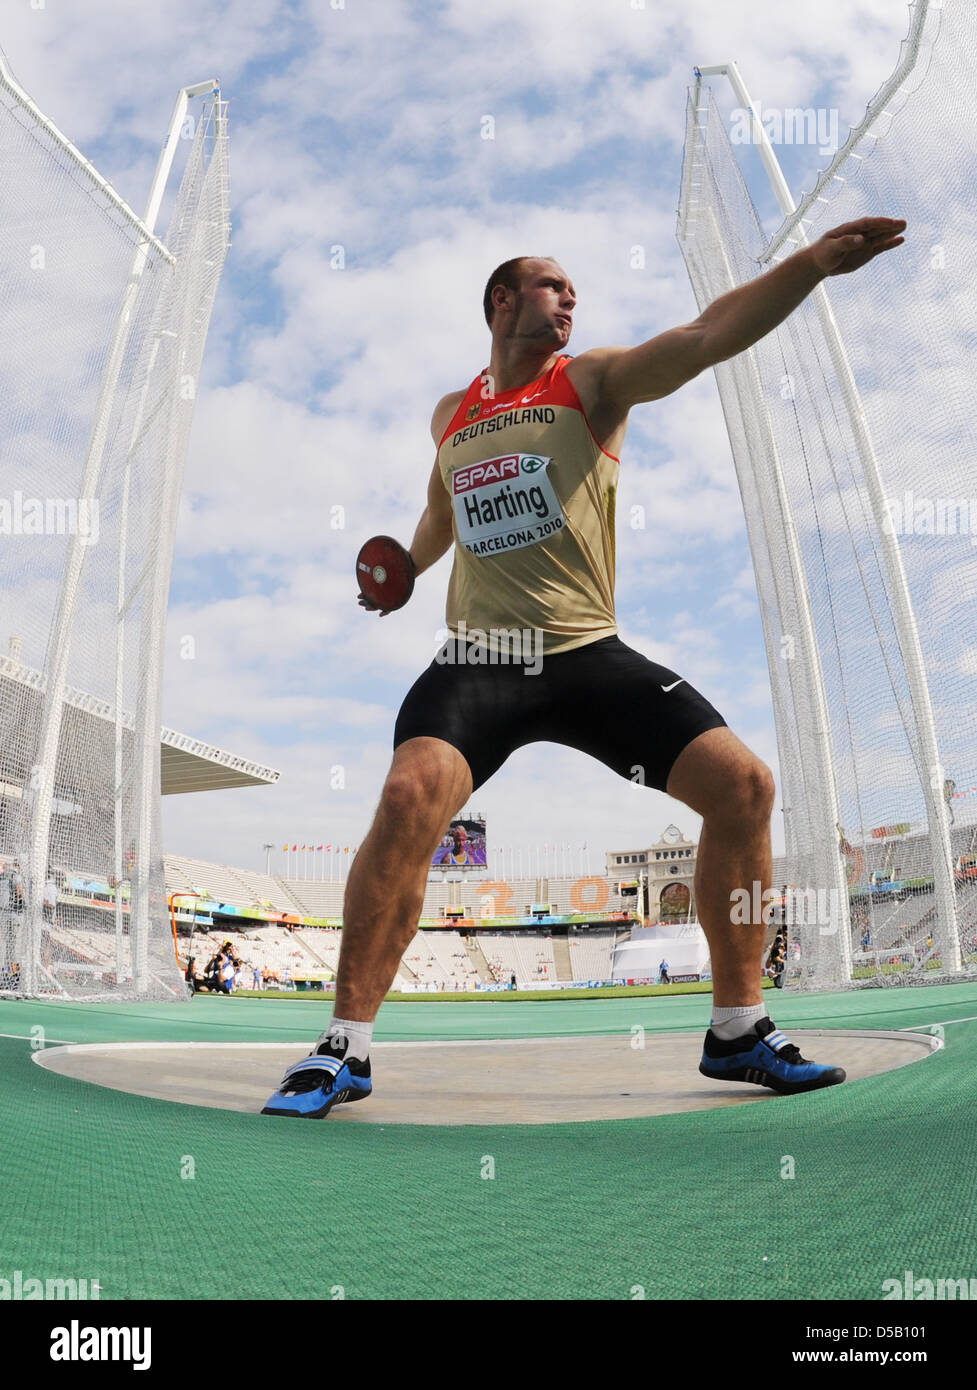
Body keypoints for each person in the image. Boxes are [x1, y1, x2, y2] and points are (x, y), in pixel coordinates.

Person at [263, 222, 907, 1118]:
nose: (570, 299)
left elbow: (705, 336)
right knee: (409, 798)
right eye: (552, 285)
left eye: (573, 291)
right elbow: (440, 511)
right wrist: (406, 571)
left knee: (744, 787)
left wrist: (809, 265)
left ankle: (736, 1030)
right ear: (502, 301)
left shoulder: (594, 380)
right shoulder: (451, 413)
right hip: (482, 660)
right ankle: (343, 1049)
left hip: (582, 652)